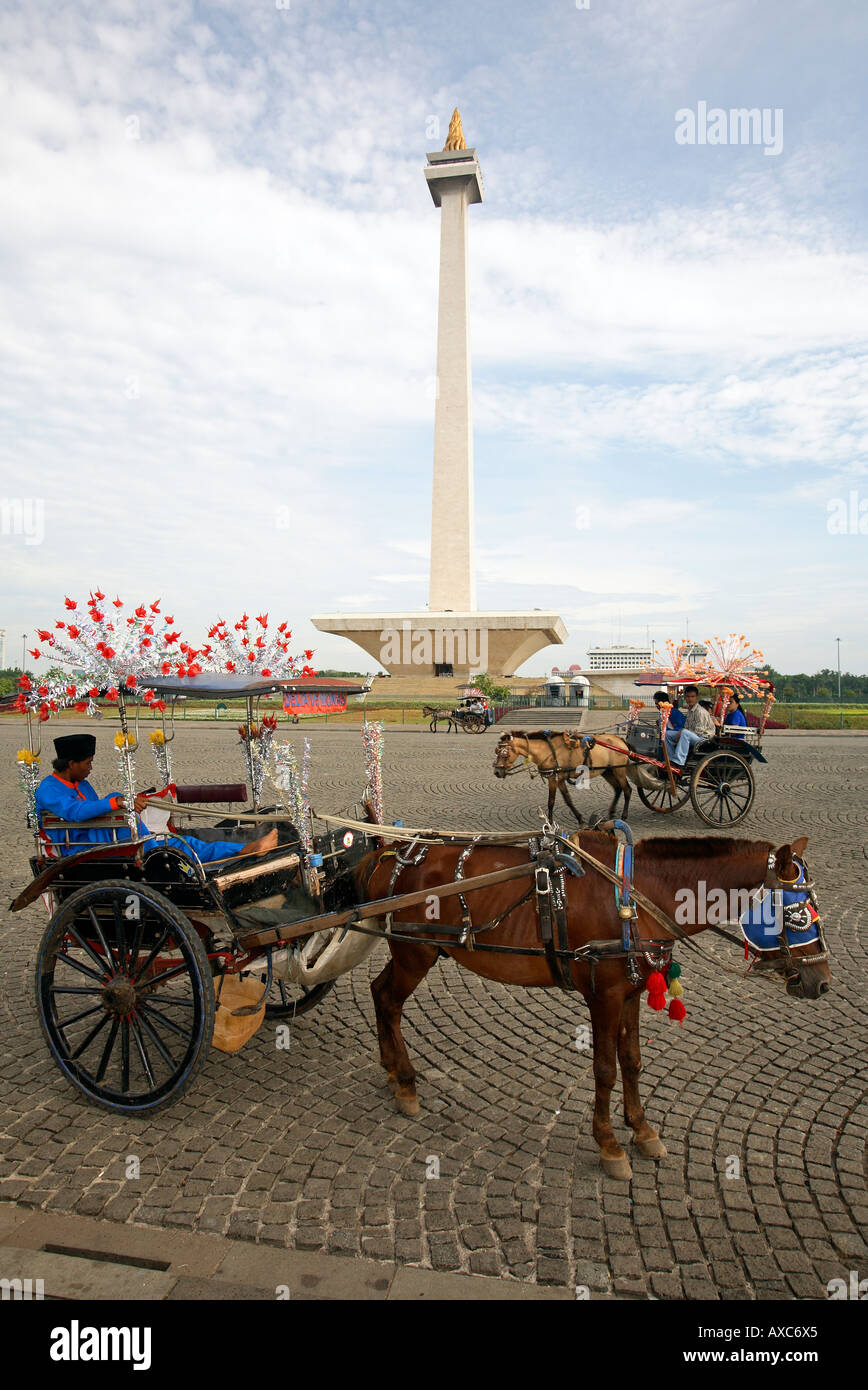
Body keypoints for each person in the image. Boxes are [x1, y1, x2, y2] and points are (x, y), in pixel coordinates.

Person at [35, 734, 277, 862]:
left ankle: (244, 848)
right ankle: (246, 849)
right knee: (167, 847)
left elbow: (93, 808)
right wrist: (116, 802)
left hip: (105, 834)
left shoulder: (82, 783)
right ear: (71, 764)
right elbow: (76, 812)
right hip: (83, 847)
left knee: (176, 842)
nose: (90, 768)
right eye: (87, 763)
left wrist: (121, 801)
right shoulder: (48, 788)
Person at [652, 690, 705, 767]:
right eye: (688, 697)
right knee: (666, 734)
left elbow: (686, 728)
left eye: (692, 697)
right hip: (687, 734)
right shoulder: (690, 710)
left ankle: (678, 761)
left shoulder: (675, 712)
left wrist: (680, 733)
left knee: (684, 732)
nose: (690, 699)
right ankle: (669, 760)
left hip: (701, 738)